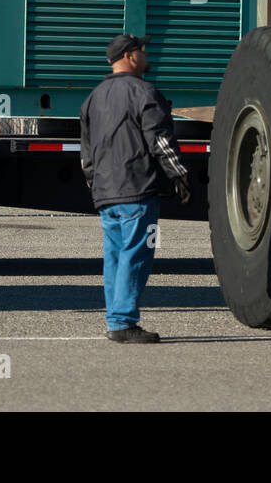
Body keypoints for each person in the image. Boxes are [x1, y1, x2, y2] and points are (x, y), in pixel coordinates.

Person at [79, 33, 190, 343]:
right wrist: (179, 175)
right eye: (142, 50)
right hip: (137, 189)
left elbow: (86, 153)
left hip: (106, 193)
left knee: (114, 256)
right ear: (129, 56)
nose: (146, 55)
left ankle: (117, 319)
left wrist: (95, 185)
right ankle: (123, 322)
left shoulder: (93, 98)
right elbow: (160, 140)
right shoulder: (145, 92)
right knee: (135, 255)